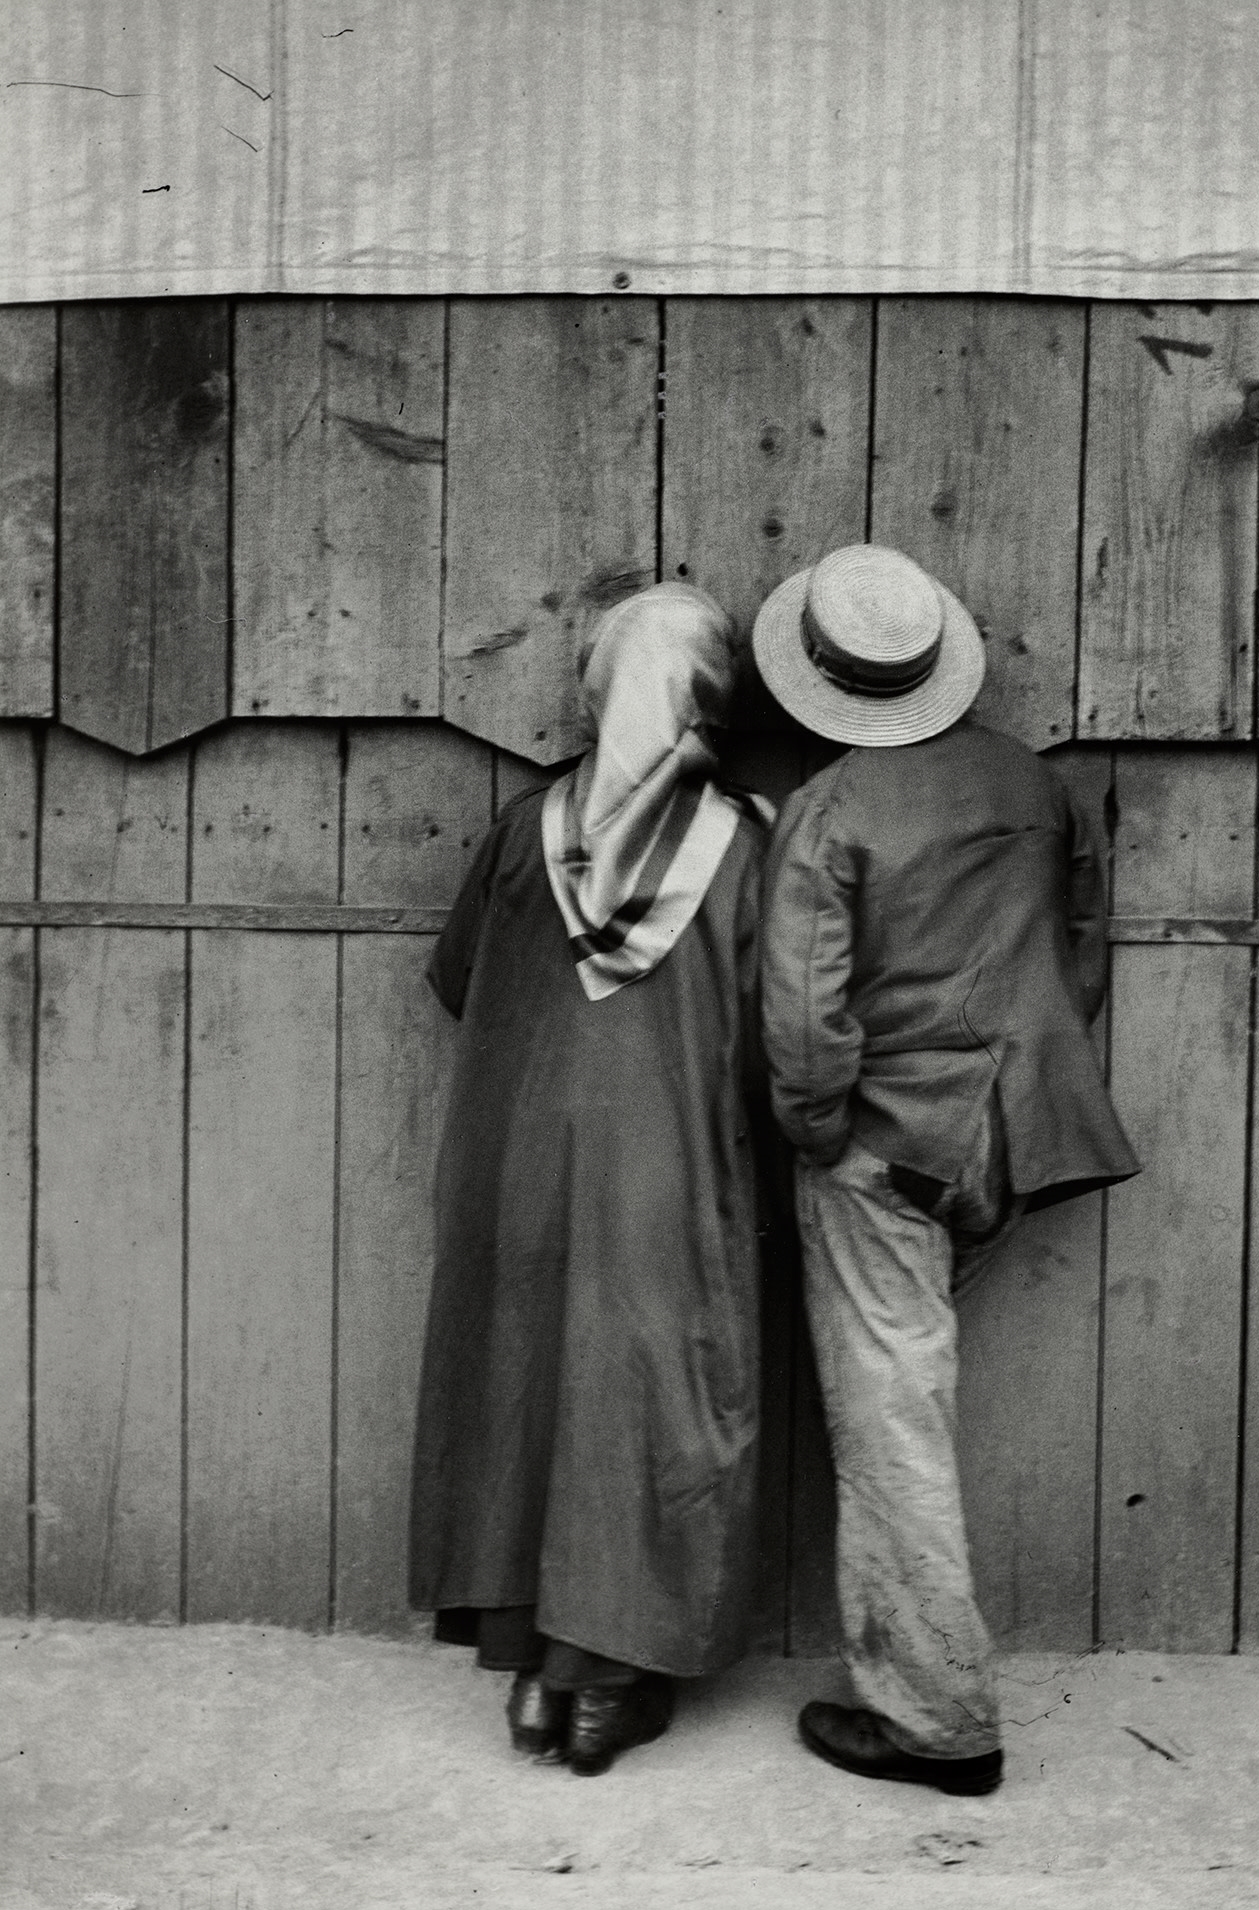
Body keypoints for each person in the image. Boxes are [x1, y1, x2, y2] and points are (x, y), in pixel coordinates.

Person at [753, 545, 1139, 1796]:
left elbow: (804, 1023)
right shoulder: (1032, 781)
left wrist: (822, 1136)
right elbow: (1081, 954)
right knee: (910, 1395)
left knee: (892, 1423)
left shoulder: (834, 806)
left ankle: (938, 1722)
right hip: (1008, 1138)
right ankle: (927, 1693)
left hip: (888, 1144)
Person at [409, 582, 770, 1777]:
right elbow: (783, 1024)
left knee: (526, 1385)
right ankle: (605, 1684)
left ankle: (529, 1677)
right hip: (670, 1164)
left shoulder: (526, 829)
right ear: (716, 691)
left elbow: (461, 977)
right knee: (648, 1396)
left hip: (519, 1166)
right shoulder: (749, 842)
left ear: (599, 687)